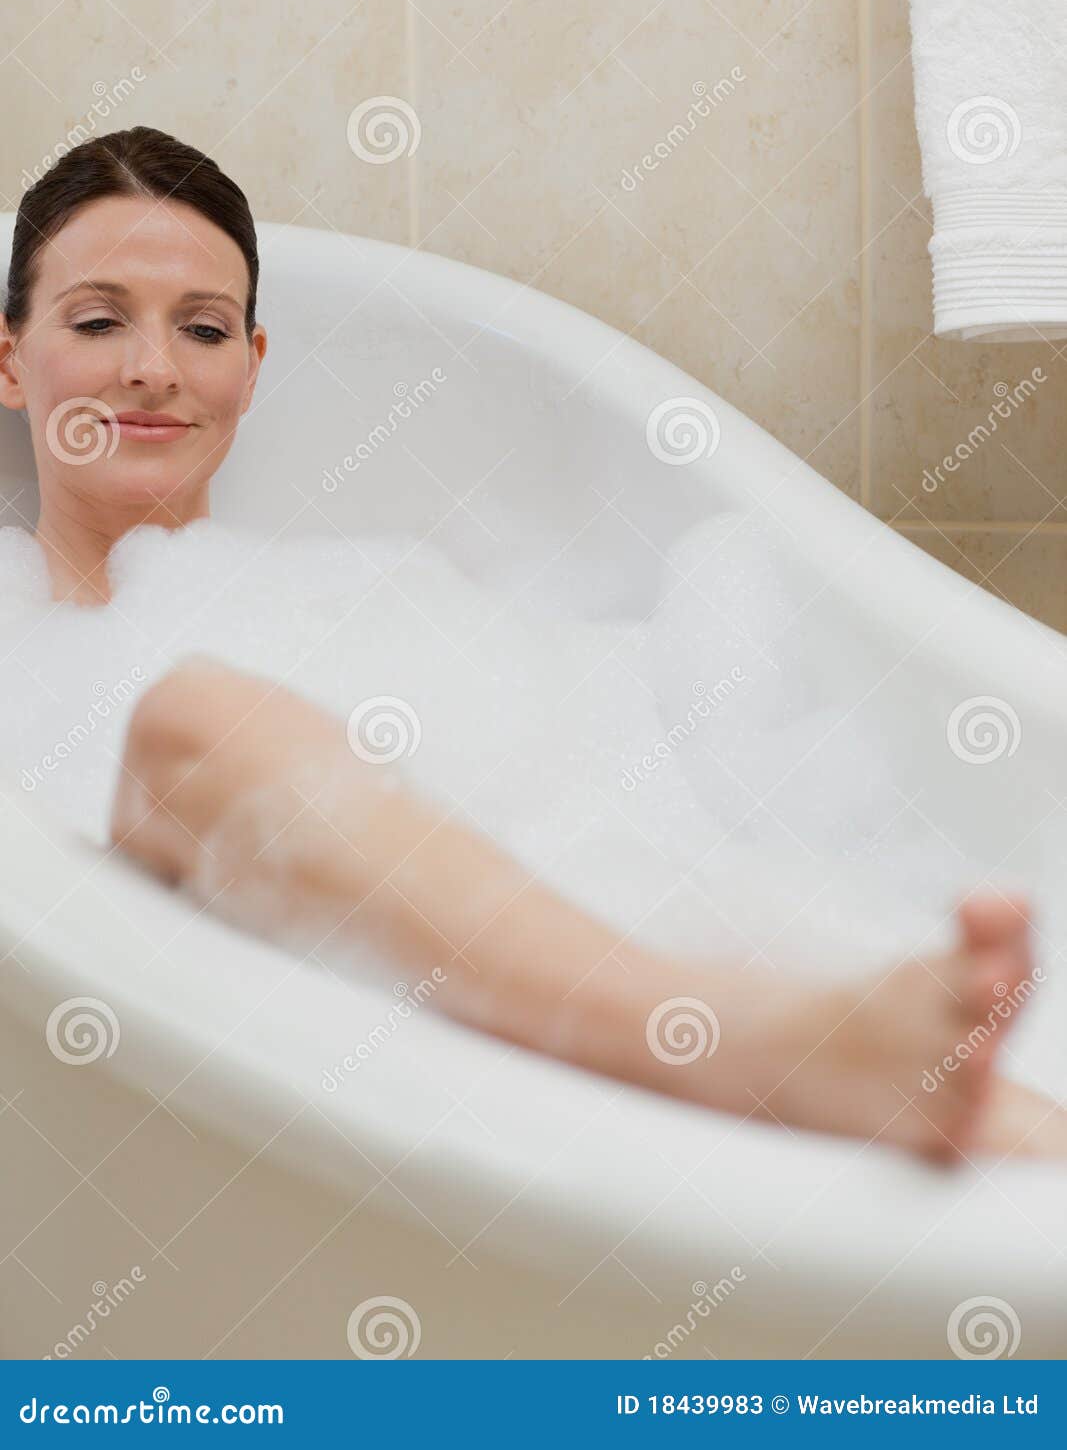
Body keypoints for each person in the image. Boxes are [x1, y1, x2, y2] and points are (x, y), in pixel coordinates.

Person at [2, 126, 1064, 1166]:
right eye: (98, 321)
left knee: (1005, 1128)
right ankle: (762, 1046)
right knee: (199, 720)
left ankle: (915, 1093)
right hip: (169, 1005)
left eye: (203, 329)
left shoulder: (402, 597)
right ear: (9, 360)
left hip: (503, 1007)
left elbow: (606, 837)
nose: (152, 368)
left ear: (253, 362)